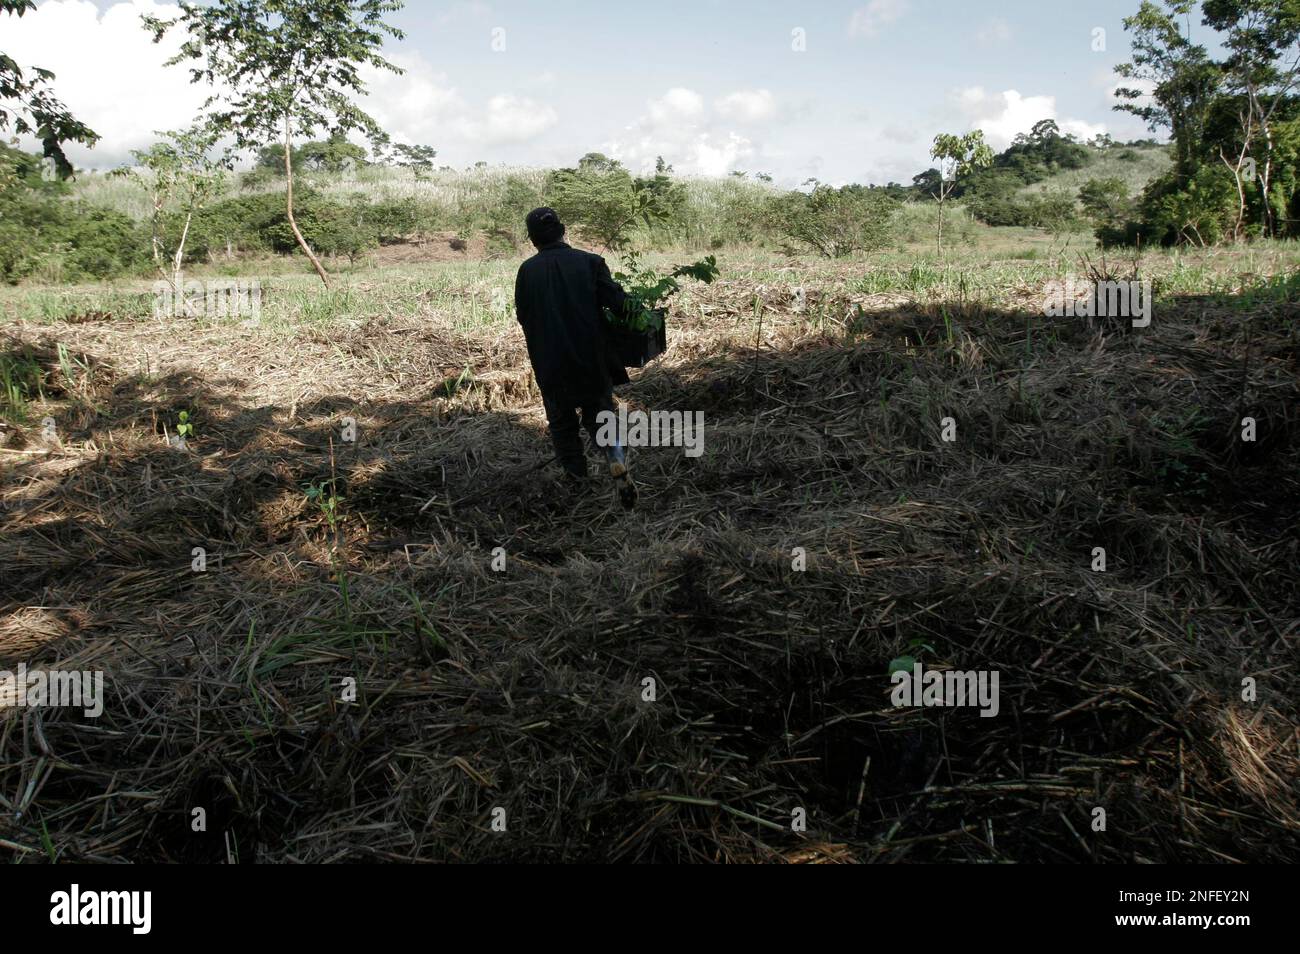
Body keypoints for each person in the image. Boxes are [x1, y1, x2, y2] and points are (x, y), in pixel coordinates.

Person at [514, 207, 637, 509]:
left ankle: (578, 485)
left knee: (562, 426)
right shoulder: (591, 262)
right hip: (591, 360)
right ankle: (616, 460)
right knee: (601, 416)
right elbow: (621, 305)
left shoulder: (526, 272)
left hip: (550, 364)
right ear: (563, 230)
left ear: (532, 240)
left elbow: (523, 316)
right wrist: (641, 312)